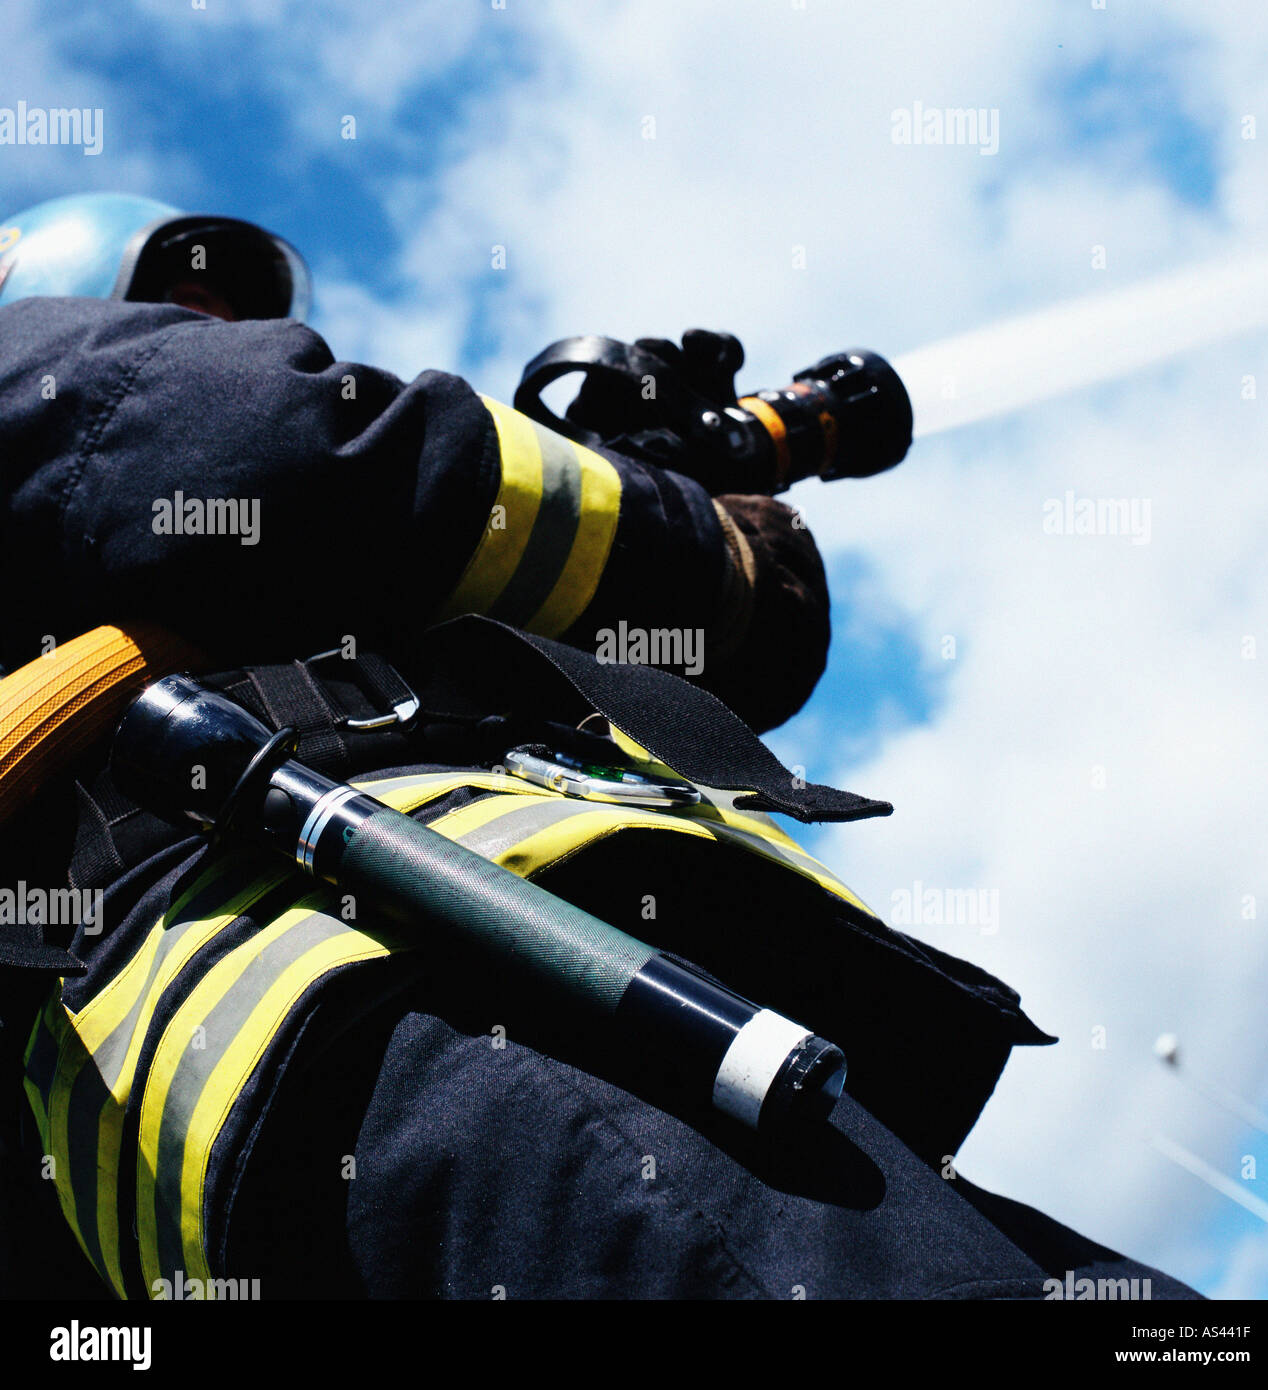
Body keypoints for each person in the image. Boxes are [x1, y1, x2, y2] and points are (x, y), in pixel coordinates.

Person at [0, 193, 1200, 1300]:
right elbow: (278, 443)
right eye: (187, 305)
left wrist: (692, 527)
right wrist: (693, 536)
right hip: (420, 1003)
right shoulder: (40, 381)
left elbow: (724, 669)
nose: (236, 336)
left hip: (392, 1107)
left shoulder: (260, 593)